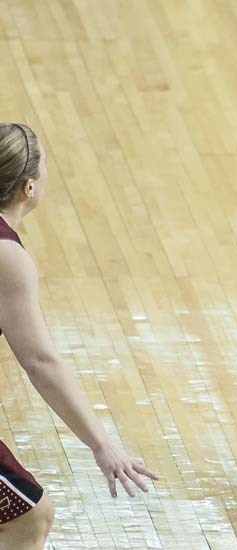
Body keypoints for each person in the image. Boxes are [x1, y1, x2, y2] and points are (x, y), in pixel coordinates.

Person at [0, 123, 158, 549]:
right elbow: (40, 362)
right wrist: (102, 444)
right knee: (29, 519)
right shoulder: (7, 258)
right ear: (29, 187)